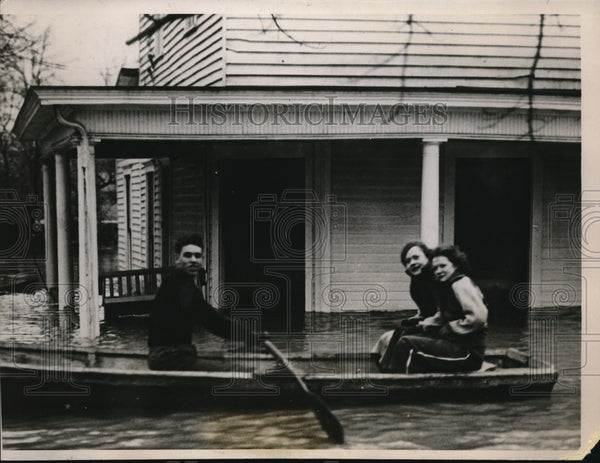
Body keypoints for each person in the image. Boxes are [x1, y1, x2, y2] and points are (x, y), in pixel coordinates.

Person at [385, 245, 488, 373]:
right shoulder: (449, 285)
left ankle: (396, 382)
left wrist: (451, 328)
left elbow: (478, 318)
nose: (438, 271)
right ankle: (391, 374)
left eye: (443, 266)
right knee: (405, 335)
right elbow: (443, 315)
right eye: (435, 268)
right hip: (456, 346)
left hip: (468, 353)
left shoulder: (461, 284)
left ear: (455, 265)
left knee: (406, 344)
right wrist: (423, 324)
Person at [147, 234, 233, 370]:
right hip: (168, 357)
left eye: (197, 256)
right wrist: (250, 336)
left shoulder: (174, 280)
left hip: (168, 354)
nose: (193, 260)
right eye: (188, 255)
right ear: (177, 259)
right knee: (235, 372)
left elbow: (209, 316)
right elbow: (213, 321)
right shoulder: (182, 287)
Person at [372, 241, 438, 370]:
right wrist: (417, 318)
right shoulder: (416, 283)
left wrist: (422, 323)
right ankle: (384, 368)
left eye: (416, 257)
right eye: (408, 261)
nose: (412, 263)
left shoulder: (437, 278)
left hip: (440, 328)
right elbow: (425, 310)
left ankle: (392, 370)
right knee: (388, 337)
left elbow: (442, 311)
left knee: (402, 337)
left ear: (427, 257)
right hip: (429, 324)